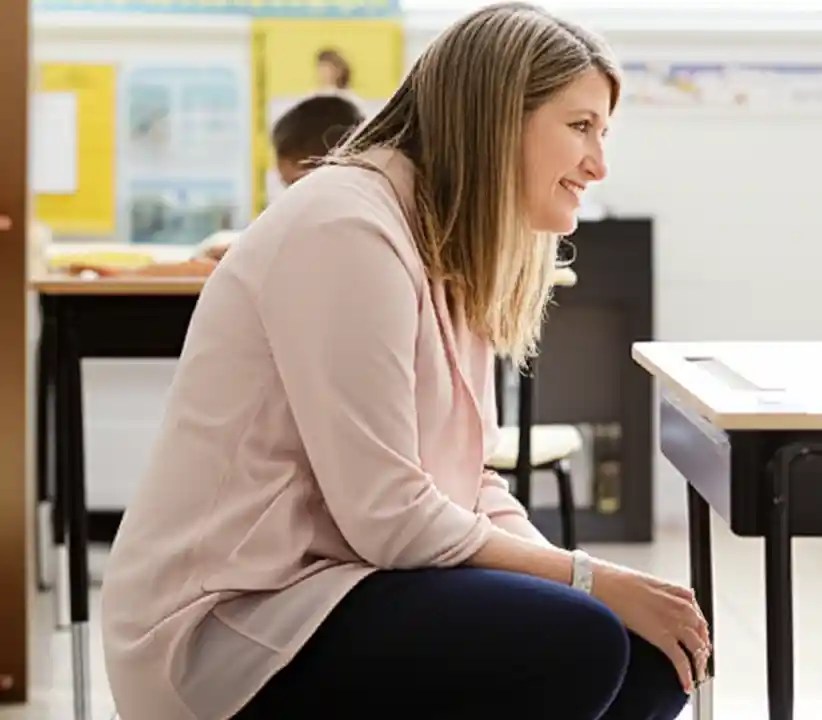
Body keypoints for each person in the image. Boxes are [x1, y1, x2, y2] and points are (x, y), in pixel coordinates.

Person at [100, 4, 706, 719]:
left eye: (603, 133)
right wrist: (585, 579)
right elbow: (388, 516)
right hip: (238, 623)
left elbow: (469, 482)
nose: (598, 164)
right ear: (496, 118)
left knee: (653, 659)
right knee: (583, 638)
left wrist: (580, 583)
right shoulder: (347, 230)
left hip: (349, 583)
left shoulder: (449, 246)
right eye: (580, 128)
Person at [67, 94, 365, 278]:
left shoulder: (318, 205)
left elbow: (223, 267)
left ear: (298, 161)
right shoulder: (353, 207)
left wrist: (127, 274)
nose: (278, 176)